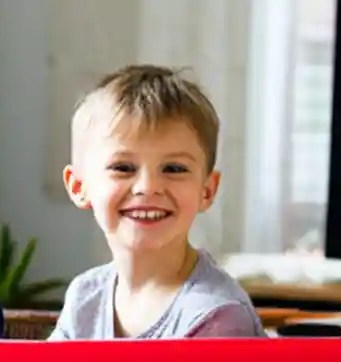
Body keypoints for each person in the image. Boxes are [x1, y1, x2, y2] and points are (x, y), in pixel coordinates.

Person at [47, 64, 265, 341]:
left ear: (207, 191)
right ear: (79, 186)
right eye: (123, 167)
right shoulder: (85, 296)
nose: (148, 187)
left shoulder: (217, 316)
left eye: (174, 169)